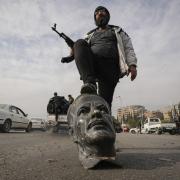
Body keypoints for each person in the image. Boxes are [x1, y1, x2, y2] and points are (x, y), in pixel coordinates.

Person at [62, 6, 137, 110]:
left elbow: (128, 48)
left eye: (103, 12)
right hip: (94, 65)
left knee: (104, 105)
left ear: (108, 16)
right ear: (95, 18)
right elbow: (81, 50)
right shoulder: (90, 35)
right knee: (79, 43)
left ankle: (105, 122)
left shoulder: (118, 31)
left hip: (111, 68)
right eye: (97, 13)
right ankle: (90, 83)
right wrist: (71, 53)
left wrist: (132, 65)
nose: (100, 13)